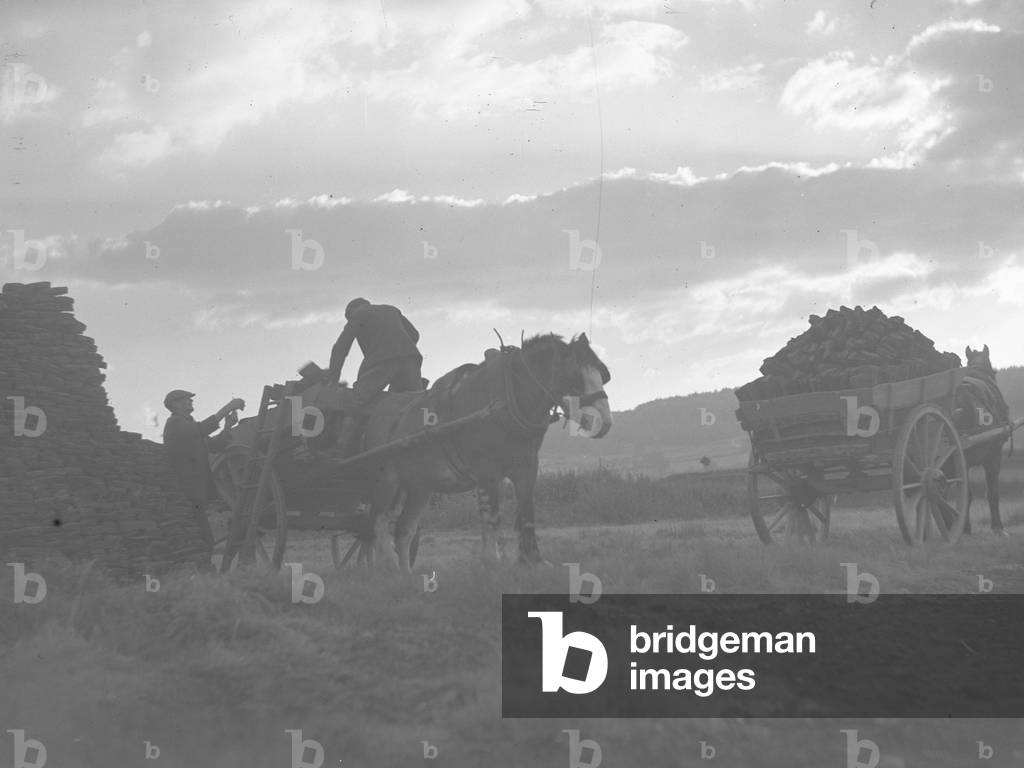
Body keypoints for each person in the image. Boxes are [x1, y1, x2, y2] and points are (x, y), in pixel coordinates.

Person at [327, 298, 423, 455]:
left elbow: (341, 347)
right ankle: (420, 439)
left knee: (357, 400)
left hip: (381, 360)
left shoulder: (357, 315)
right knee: (416, 403)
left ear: (350, 312)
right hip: (410, 359)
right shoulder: (391, 309)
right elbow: (414, 334)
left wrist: (333, 378)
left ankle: (341, 447)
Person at [162, 389, 245, 557]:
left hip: (195, 491)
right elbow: (201, 430)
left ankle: (204, 570)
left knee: (203, 536)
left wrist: (228, 426)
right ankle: (202, 570)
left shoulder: (188, 425)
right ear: (175, 404)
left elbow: (214, 445)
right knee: (201, 536)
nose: (190, 401)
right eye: (186, 399)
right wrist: (228, 408)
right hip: (186, 491)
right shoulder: (175, 424)